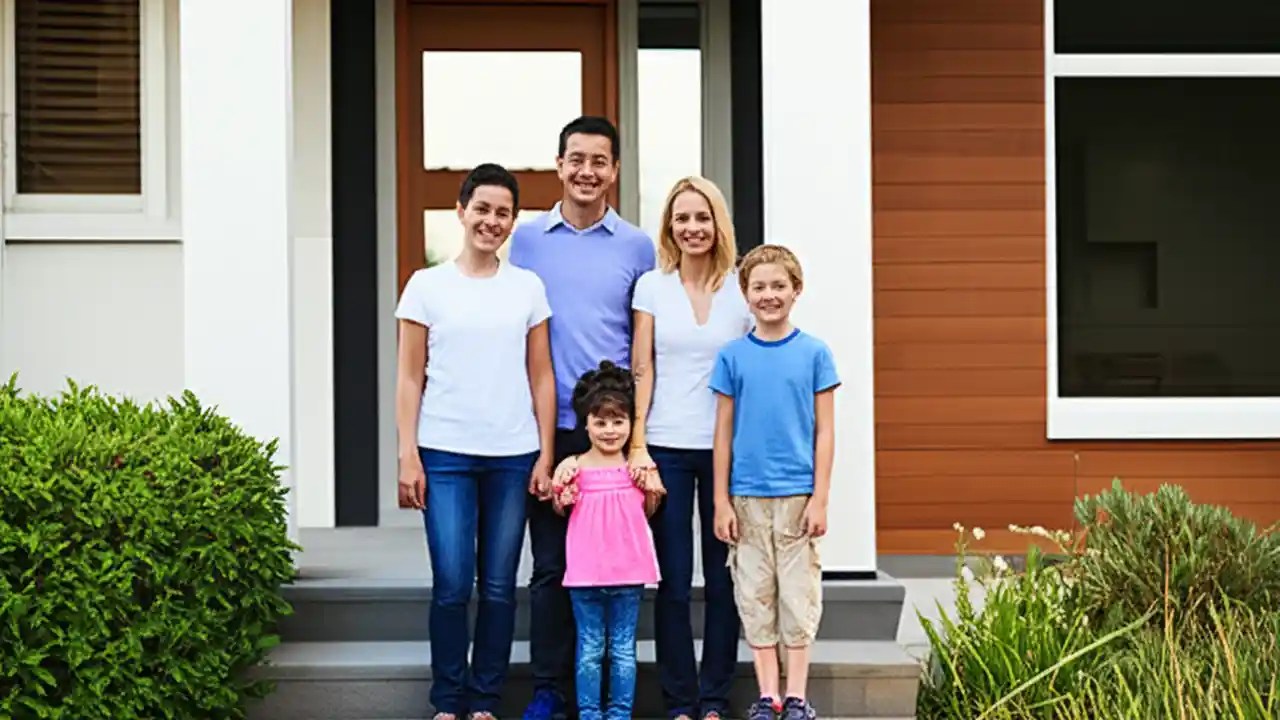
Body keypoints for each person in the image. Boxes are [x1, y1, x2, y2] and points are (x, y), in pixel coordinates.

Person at [553, 176, 749, 720]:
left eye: (702, 218)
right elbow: (644, 367)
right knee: (672, 581)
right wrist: (637, 446)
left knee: (723, 577)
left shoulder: (741, 286)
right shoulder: (652, 287)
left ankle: (713, 698)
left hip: (725, 451)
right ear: (670, 226)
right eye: (682, 219)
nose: (692, 228)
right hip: (664, 445)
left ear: (718, 224)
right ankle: (680, 701)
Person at [394, 163, 557, 720]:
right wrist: (408, 452)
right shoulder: (426, 285)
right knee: (452, 583)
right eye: (482, 209)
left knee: (496, 587)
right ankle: (448, 700)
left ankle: (484, 701)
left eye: (503, 213)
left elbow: (542, 375)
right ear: (461, 212)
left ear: (514, 222)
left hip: (513, 456)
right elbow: (409, 376)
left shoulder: (527, 288)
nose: (491, 221)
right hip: (444, 455)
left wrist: (545, 455)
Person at [509, 115, 656, 720]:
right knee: (552, 565)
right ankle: (550, 689)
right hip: (546, 426)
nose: (587, 171)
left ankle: (610, 698)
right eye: (576, 159)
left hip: (612, 431)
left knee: (615, 565)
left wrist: (635, 435)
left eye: (599, 161)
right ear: (559, 164)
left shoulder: (638, 246)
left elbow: (643, 343)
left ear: (614, 171)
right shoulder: (524, 241)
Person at [710, 245, 839, 720]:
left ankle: (798, 697)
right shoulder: (733, 357)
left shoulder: (815, 354)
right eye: (759, 287)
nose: (769, 295)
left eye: (778, 286)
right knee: (755, 595)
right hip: (745, 499)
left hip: (797, 499)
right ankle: (769, 696)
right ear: (745, 295)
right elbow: (722, 433)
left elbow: (825, 431)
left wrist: (820, 497)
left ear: (796, 290)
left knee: (798, 598)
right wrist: (721, 500)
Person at [551, 360, 663, 720]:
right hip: (585, 575)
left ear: (632, 424)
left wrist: (650, 488)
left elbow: (648, 509)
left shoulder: (639, 467)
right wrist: (562, 496)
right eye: (601, 422)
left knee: (623, 649)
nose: (610, 430)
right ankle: (589, 713)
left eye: (618, 421)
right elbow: (559, 505)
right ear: (586, 424)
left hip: (628, 573)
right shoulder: (573, 465)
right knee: (589, 647)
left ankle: (619, 713)